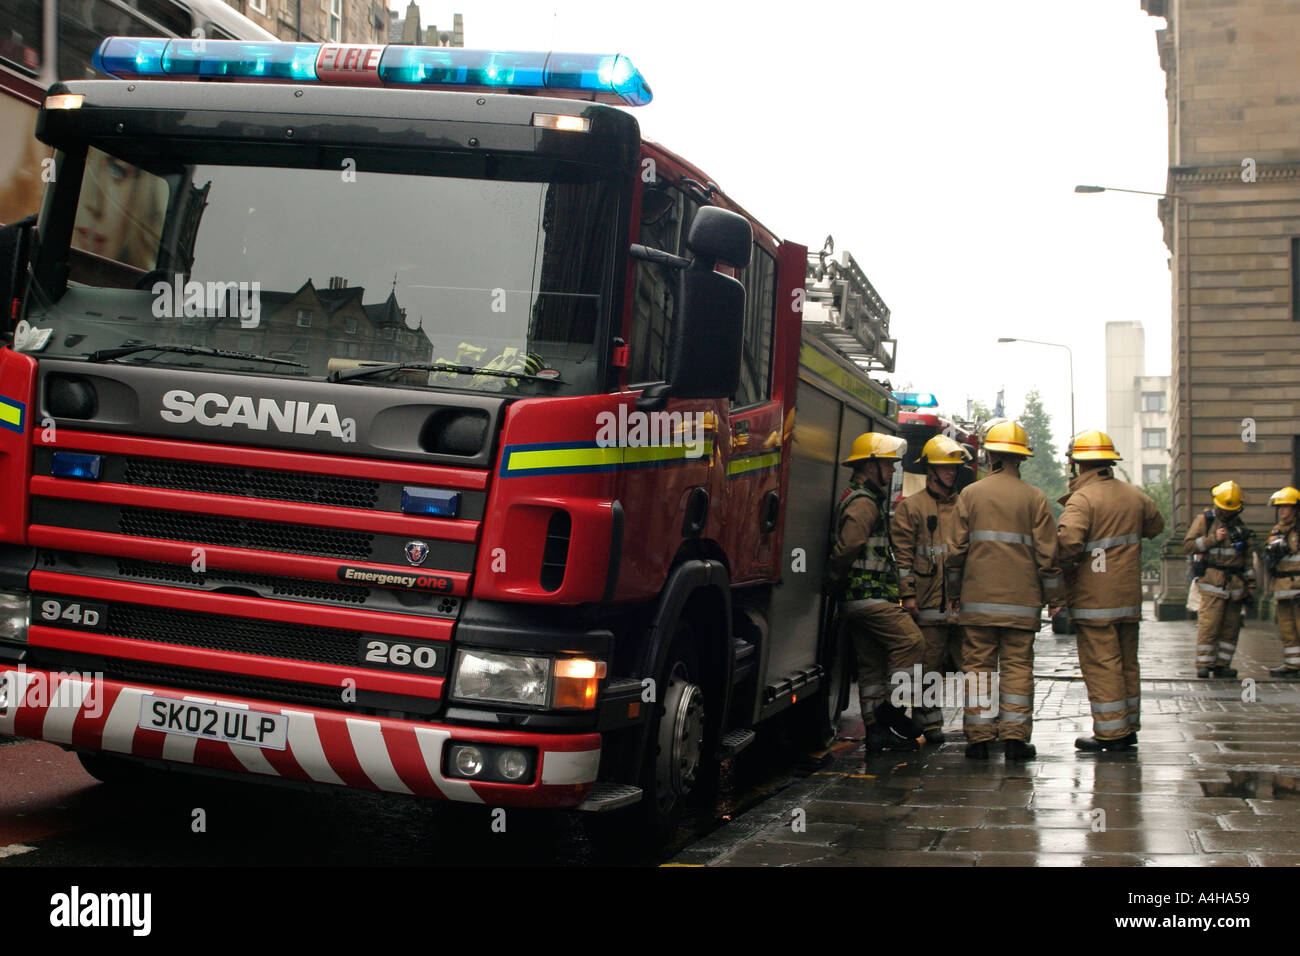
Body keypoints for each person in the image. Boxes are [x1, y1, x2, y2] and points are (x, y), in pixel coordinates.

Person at [945, 420, 1062, 760]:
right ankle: (1014, 739)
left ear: (990, 457)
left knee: (978, 666)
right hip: (1023, 605)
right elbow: (1048, 556)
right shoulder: (1036, 499)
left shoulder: (969, 495)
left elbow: (955, 553)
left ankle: (979, 740)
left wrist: (954, 593)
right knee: (1017, 667)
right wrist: (1055, 599)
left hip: (977, 604)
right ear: (1021, 459)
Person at [1054, 430, 1164, 751]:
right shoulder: (1134, 495)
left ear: (1078, 465)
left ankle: (1110, 732)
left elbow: (1068, 545)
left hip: (1094, 600)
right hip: (1129, 599)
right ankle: (1128, 726)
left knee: (1103, 664)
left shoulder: (1083, 499)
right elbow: (1156, 526)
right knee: (1128, 662)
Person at [824, 432, 926, 754]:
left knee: (871, 667)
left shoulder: (864, 497)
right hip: (866, 597)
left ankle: (876, 733)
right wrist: (832, 575)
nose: (894, 471)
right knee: (911, 641)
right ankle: (890, 711)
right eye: (888, 464)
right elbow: (851, 544)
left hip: (859, 600)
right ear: (871, 465)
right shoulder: (865, 502)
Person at [892, 434, 971, 744]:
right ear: (930, 470)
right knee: (928, 668)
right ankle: (930, 725)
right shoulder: (911, 508)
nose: (950, 473)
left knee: (976, 666)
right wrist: (908, 594)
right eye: (944, 467)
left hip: (964, 604)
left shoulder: (966, 504)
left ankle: (982, 726)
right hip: (927, 603)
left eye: (954, 467)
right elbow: (902, 556)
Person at [1183, 481, 1255, 678]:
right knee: (1209, 625)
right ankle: (1204, 664)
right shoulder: (1204, 521)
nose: (1227, 513)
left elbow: (1247, 560)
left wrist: (1251, 585)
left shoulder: (1241, 527)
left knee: (1230, 628)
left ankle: (1223, 664)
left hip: (1235, 585)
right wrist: (1212, 538)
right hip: (1213, 583)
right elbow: (1188, 545)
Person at [1264, 487, 1300, 679]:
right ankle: (1292, 665)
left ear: (1295, 508)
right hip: (1282, 587)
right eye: (1280, 507)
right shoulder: (1276, 530)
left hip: (1298, 586)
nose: (1282, 511)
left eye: (1286, 507)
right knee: (1286, 629)